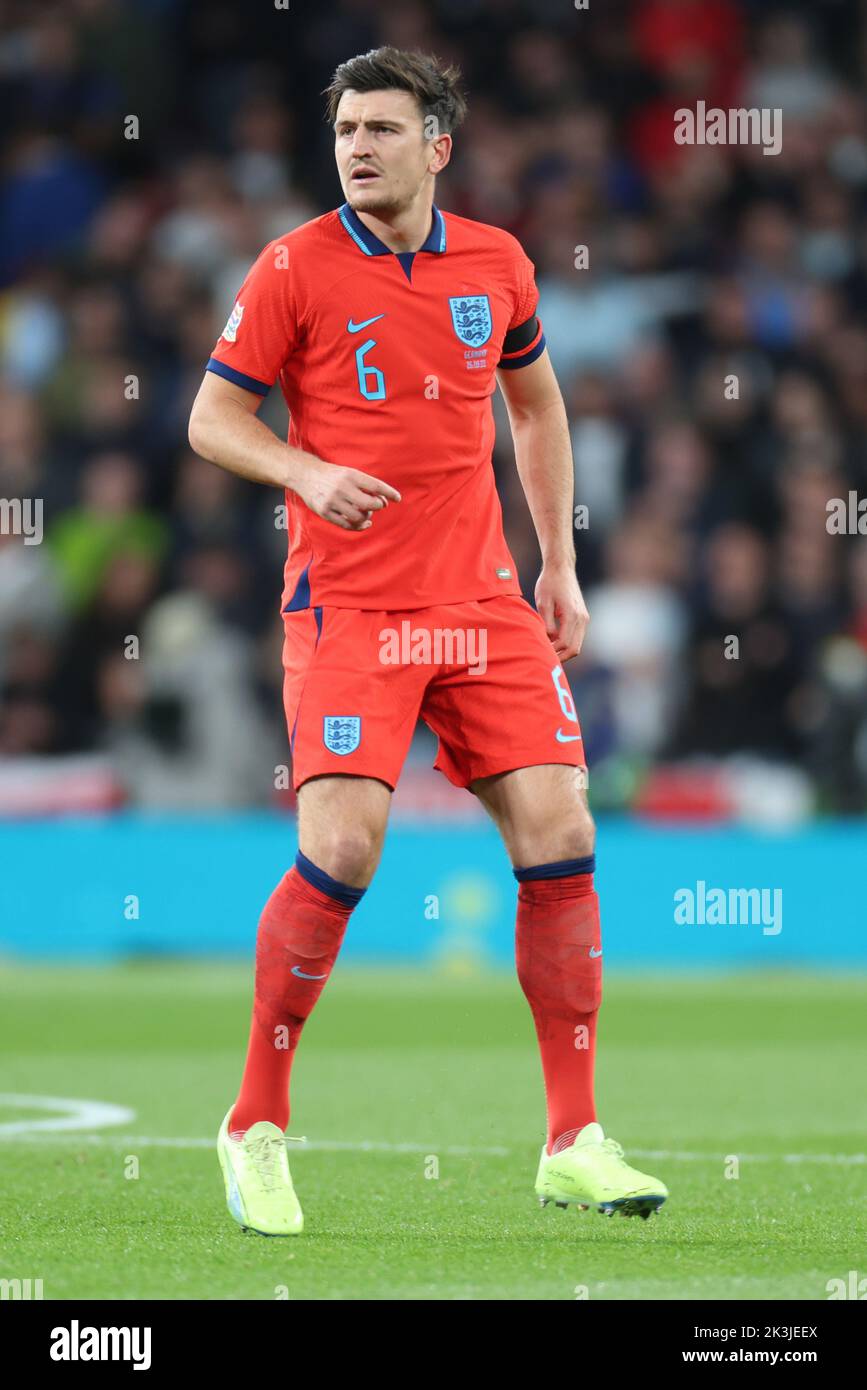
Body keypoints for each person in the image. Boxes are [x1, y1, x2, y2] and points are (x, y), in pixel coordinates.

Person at [188, 45, 668, 1236]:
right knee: (345, 849)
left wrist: (558, 562)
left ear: (436, 146)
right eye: (346, 128)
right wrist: (304, 468)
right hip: (349, 605)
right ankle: (254, 1123)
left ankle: (574, 1139)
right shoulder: (294, 266)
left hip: (484, 602)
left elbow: (538, 401)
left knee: (564, 831)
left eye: (383, 130)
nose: (357, 146)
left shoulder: (494, 263)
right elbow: (210, 418)